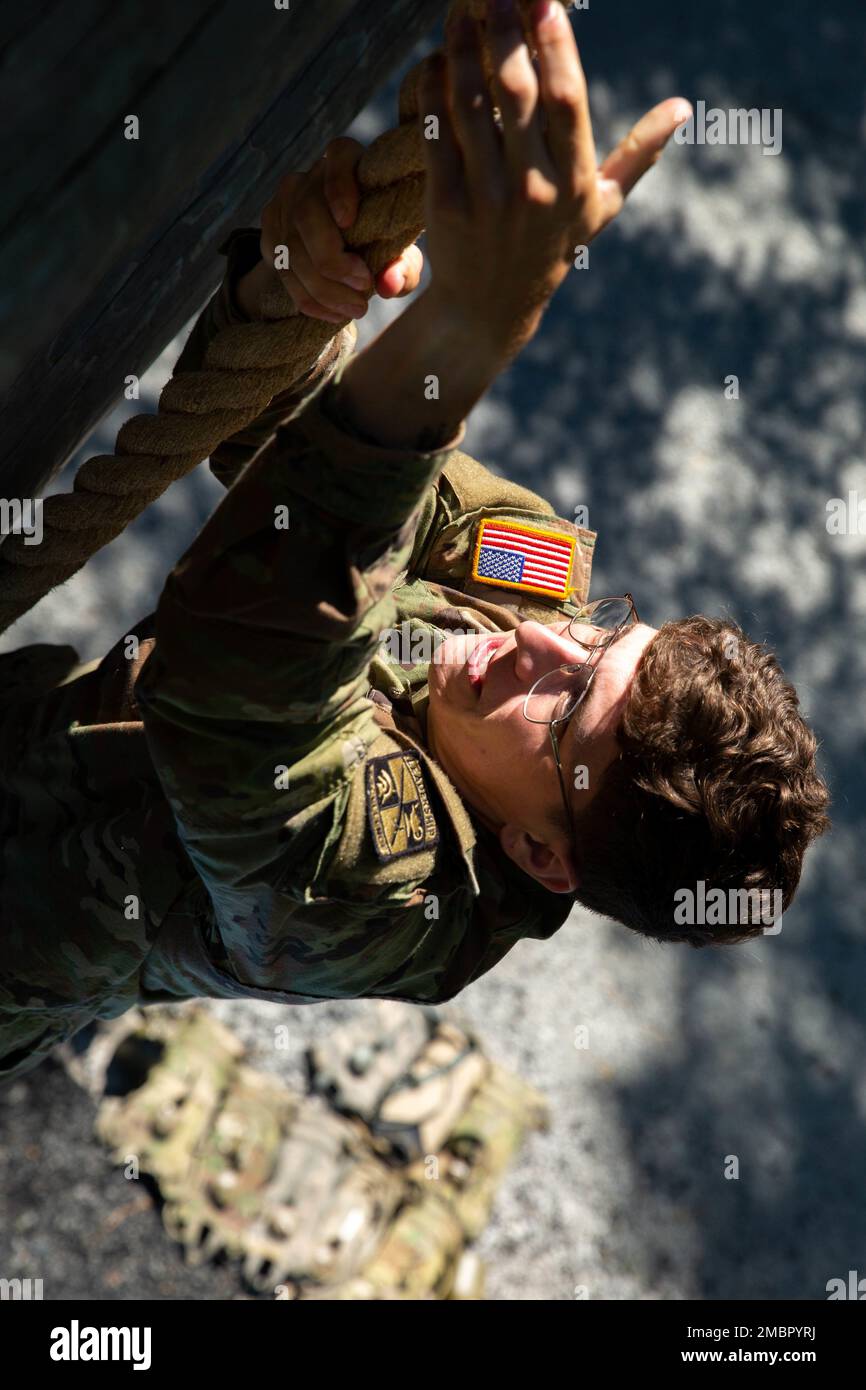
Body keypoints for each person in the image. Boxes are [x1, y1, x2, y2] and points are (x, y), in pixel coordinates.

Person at [0, 0, 829, 1083]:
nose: (543, 646)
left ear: (541, 851)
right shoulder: (535, 583)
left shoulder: (394, 902)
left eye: (570, 709)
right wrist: (299, 287)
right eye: (602, 640)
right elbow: (293, 451)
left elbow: (238, 689)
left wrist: (467, 330)